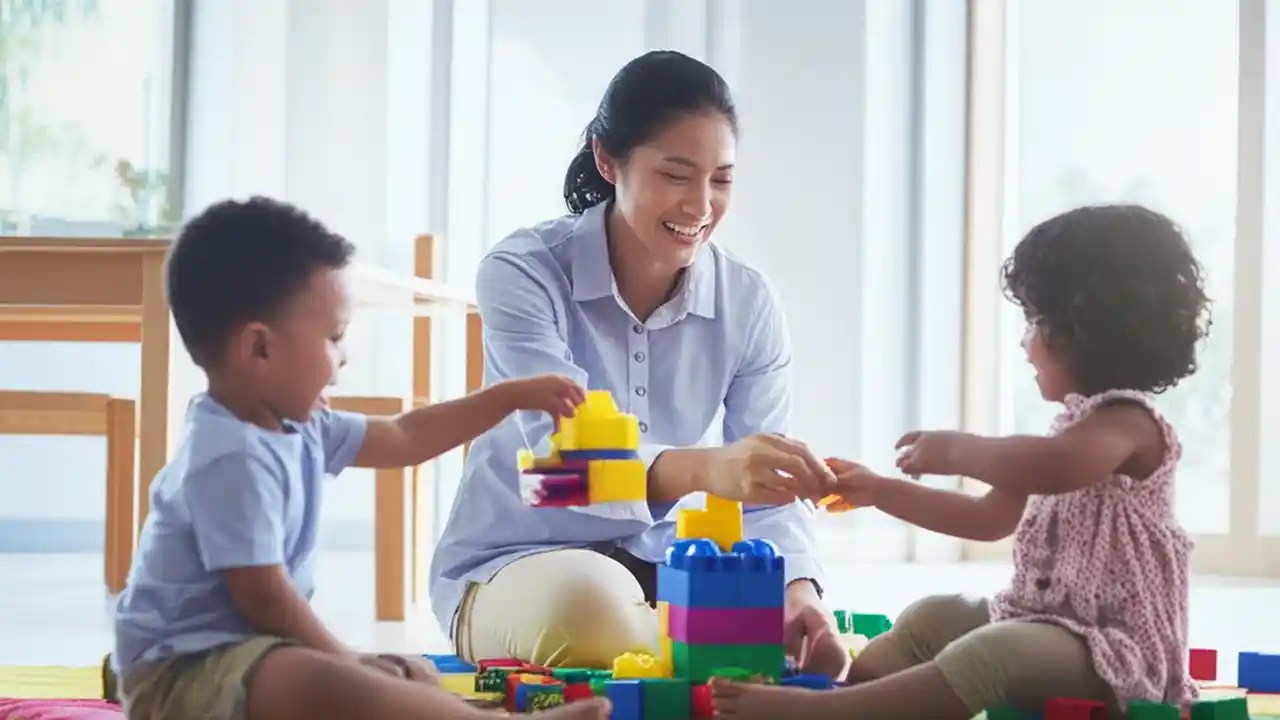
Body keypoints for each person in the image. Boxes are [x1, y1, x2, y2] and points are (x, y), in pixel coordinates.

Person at [429, 49, 847, 678]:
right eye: (676, 175)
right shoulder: (523, 272)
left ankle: (676, 645)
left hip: (665, 572)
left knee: (742, 632)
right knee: (592, 607)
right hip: (512, 564)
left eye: (722, 179)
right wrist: (709, 468)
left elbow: (767, 494)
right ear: (608, 159)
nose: (700, 205)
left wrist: (797, 593)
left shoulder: (748, 300)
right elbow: (560, 474)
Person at [110, 197, 610, 720]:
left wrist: (506, 397)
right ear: (259, 348)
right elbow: (263, 596)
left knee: (407, 672)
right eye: (334, 338)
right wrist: (345, 660)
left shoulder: (297, 424)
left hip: (249, 655)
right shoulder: (229, 456)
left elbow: (402, 437)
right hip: (180, 677)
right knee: (319, 677)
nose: (343, 358)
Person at [710, 204, 1211, 719]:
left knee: (995, 654)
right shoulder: (1065, 435)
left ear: (1086, 330)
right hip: (1042, 625)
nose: (1024, 342)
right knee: (934, 616)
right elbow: (987, 518)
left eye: (1036, 322)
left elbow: (1054, 466)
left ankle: (823, 715)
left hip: (1114, 653)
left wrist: (957, 451)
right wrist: (881, 491)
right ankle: (848, 696)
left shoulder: (1127, 425)